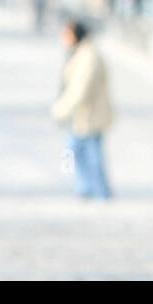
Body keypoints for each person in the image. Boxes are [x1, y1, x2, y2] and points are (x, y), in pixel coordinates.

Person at [51, 20, 113, 199]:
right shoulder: (79, 53)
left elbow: (80, 90)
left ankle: (99, 192)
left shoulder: (88, 56)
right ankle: (85, 188)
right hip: (81, 117)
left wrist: (61, 109)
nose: (63, 39)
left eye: (66, 35)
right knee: (74, 153)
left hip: (89, 116)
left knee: (91, 157)